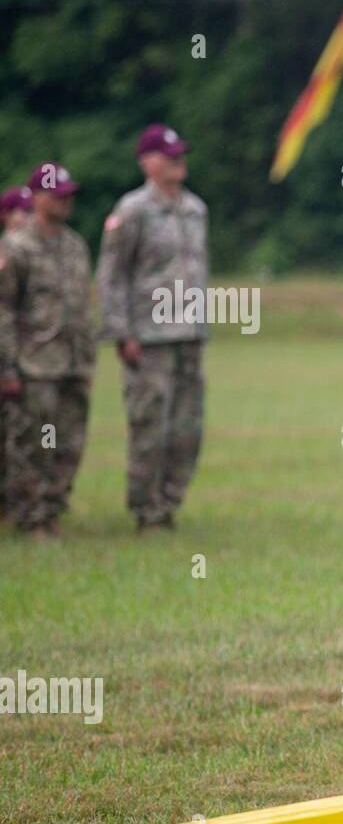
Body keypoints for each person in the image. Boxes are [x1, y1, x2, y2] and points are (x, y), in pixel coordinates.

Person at [96, 124, 208, 532]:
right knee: (150, 426)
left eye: (181, 152)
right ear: (147, 161)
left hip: (190, 335)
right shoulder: (132, 210)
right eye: (169, 154)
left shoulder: (196, 209)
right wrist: (121, 332)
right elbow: (112, 275)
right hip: (149, 337)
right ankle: (146, 510)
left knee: (188, 427)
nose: (179, 160)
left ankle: (169, 503)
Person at [0, 165, 94, 538]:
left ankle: (53, 509)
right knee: (36, 442)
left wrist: (87, 359)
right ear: (37, 197)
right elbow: (3, 310)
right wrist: (7, 367)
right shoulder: (15, 248)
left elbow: (82, 307)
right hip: (34, 366)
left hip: (71, 365)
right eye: (58, 195)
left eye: (69, 194)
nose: (66, 201)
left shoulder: (75, 246)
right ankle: (30, 516)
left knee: (67, 442)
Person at [0, 185, 34, 521]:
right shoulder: (6, 256)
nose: (25, 219)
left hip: (20, 358)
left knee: (18, 432)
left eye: (30, 211)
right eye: (19, 211)